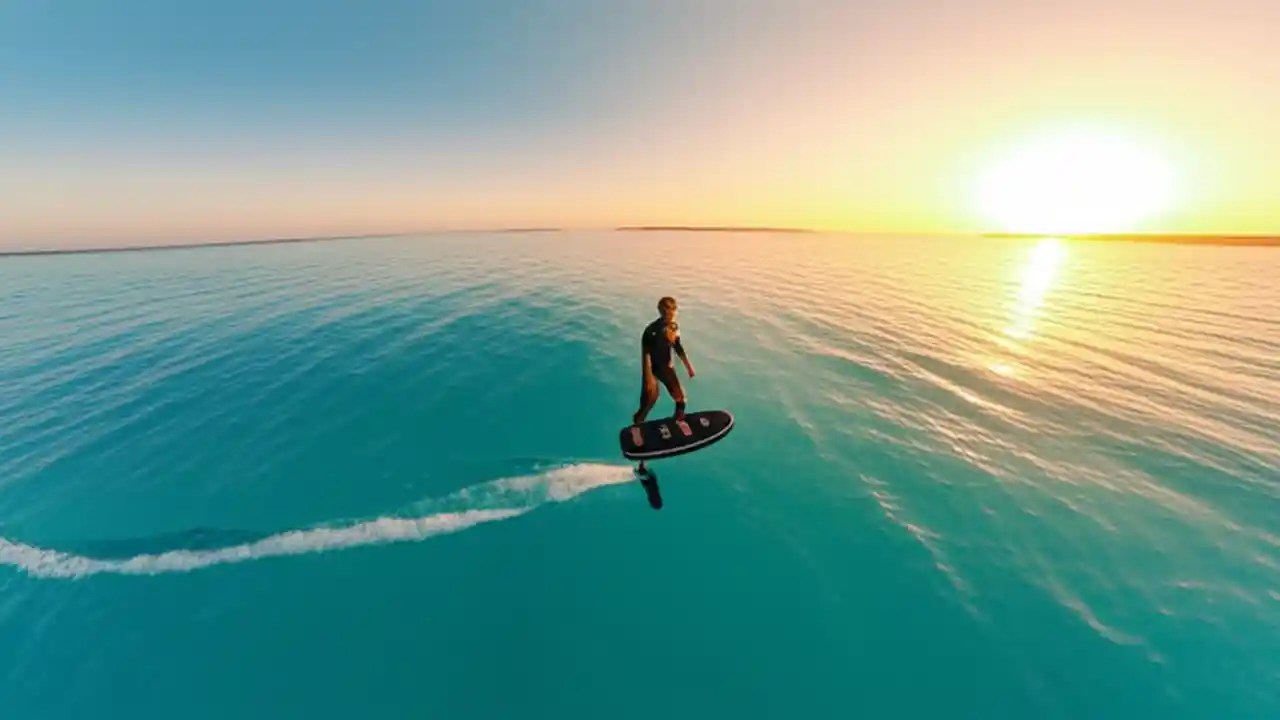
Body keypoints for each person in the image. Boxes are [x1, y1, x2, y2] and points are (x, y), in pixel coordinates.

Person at [631, 297, 696, 471]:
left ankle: (677, 423)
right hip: (653, 370)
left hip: (668, 369)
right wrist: (648, 380)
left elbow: (678, 347)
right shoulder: (650, 331)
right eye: (668, 315)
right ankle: (637, 431)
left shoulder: (674, 327)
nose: (672, 318)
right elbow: (645, 357)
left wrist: (689, 367)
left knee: (681, 399)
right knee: (647, 405)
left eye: (674, 314)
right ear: (661, 313)